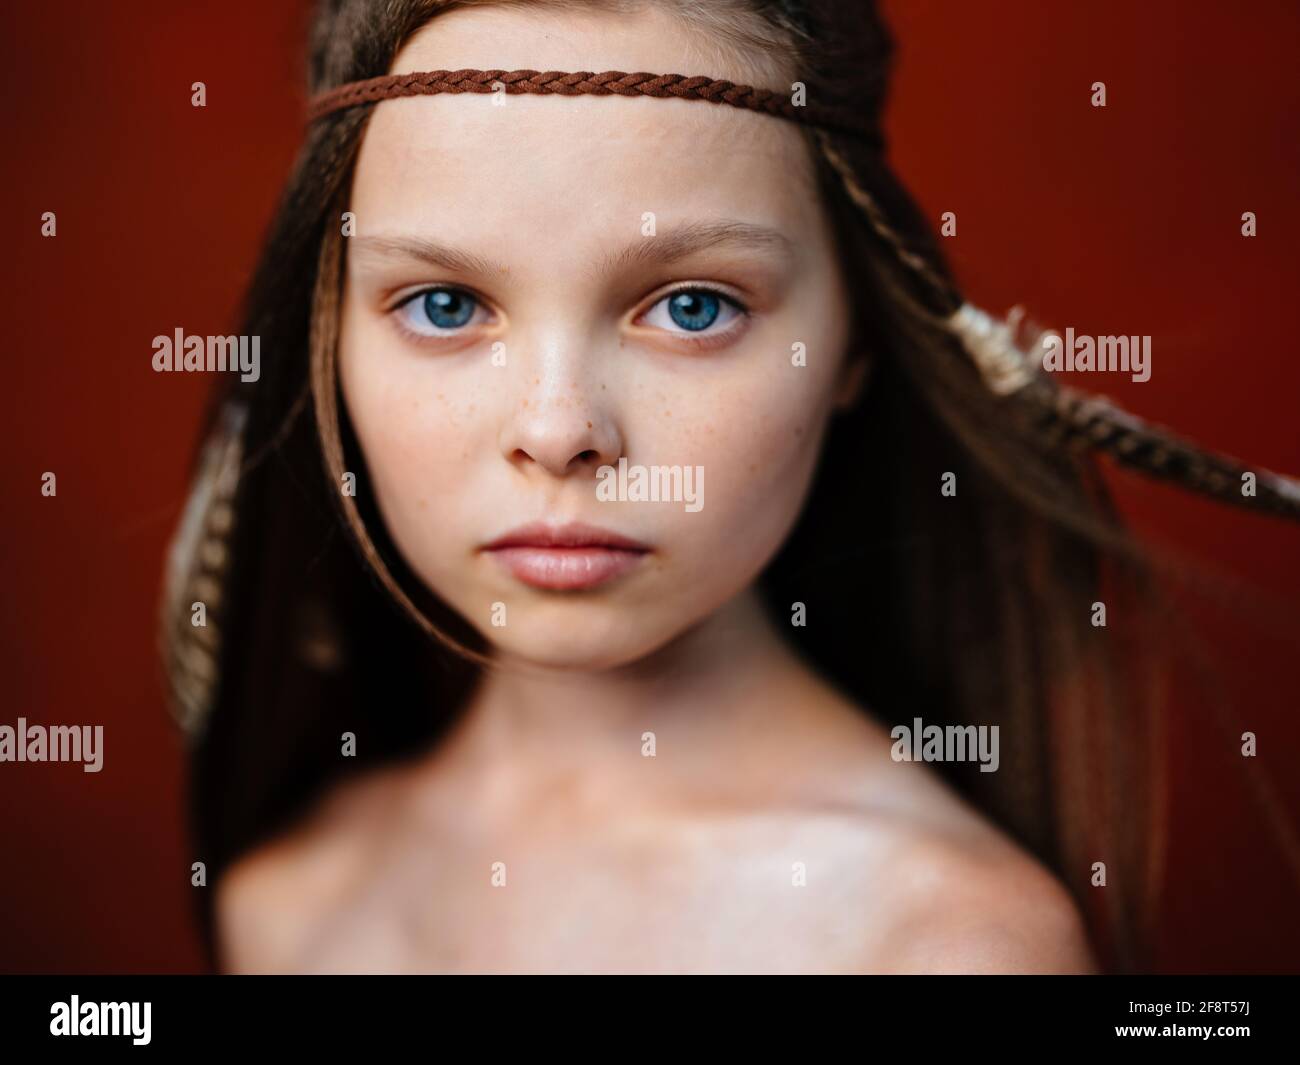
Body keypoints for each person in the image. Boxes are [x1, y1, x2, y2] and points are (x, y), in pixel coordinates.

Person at [159, 0, 1298, 974]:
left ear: (854, 339)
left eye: (693, 307)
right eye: (444, 306)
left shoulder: (943, 947)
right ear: (326, 339)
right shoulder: (292, 902)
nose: (559, 431)